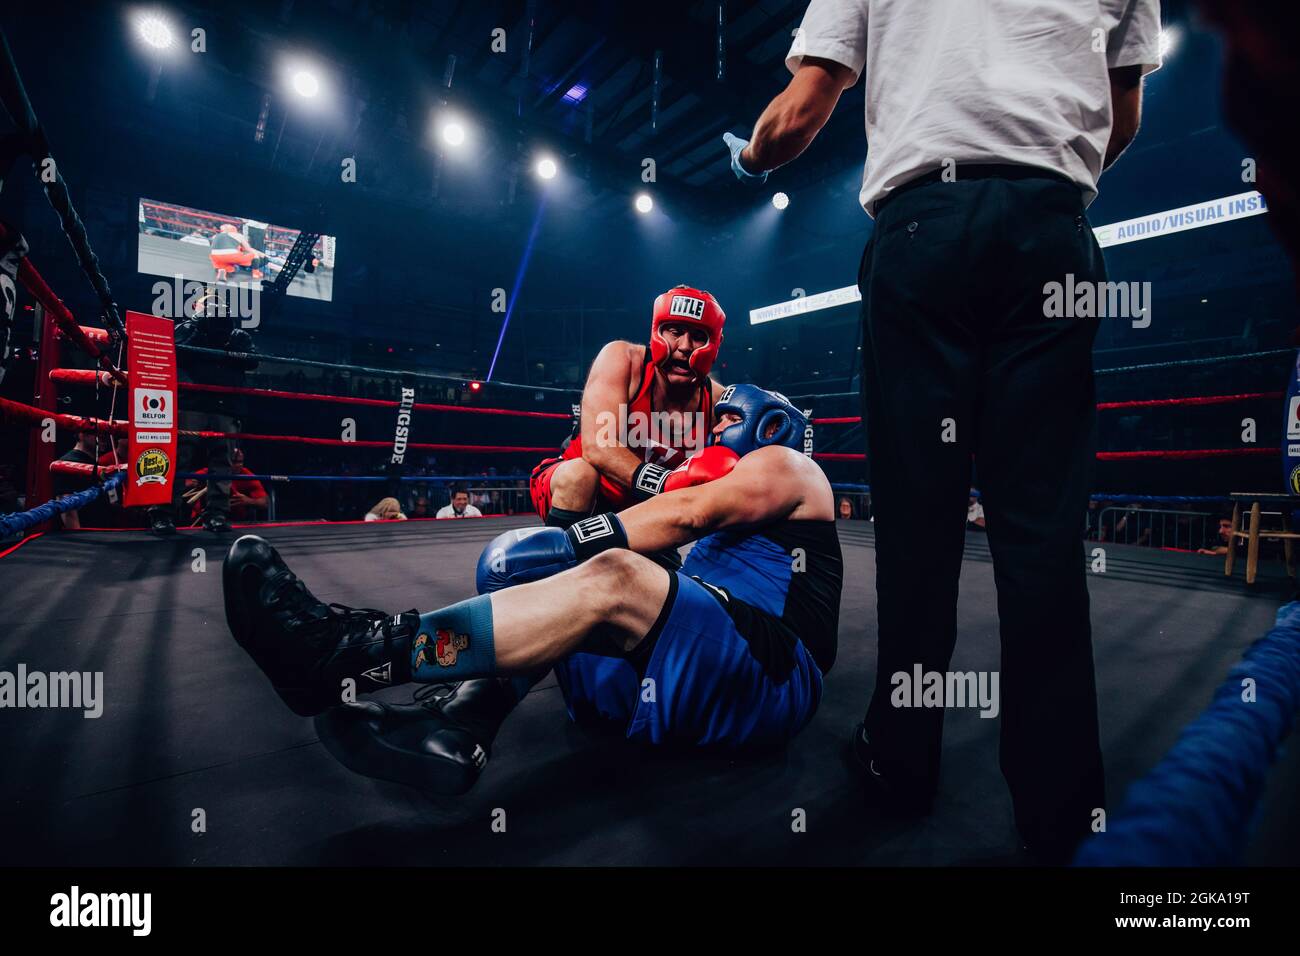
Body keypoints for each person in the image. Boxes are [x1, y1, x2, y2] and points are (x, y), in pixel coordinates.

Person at [723, 0, 1161, 862]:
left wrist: (750, 156)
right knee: (1043, 540)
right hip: (1051, 234)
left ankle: (900, 761)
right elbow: (1122, 112)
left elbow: (803, 110)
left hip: (926, 232)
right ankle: (1061, 810)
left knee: (920, 531)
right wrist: (1041, 180)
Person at [222, 386, 841, 794]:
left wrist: (577, 541)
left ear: (772, 424)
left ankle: (351, 654)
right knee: (540, 575)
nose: (716, 430)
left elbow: (690, 514)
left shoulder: (789, 465)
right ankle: (465, 722)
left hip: (774, 681)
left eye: (729, 420)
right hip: (657, 699)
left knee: (616, 573)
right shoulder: (728, 511)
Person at [529, 285, 728, 532]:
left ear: (716, 345)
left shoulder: (719, 401)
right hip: (583, 491)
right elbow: (598, 447)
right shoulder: (624, 360)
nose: (685, 346)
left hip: (642, 512)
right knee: (579, 476)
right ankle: (554, 559)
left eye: (698, 336)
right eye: (674, 332)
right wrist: (667, 483)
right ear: (655, 332)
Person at [149, 289, 257, 536]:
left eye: (217, 304)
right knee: (177, 460)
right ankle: (163, 514)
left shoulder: (237, 334)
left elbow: (252, 360)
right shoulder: (188, 329)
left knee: (222, 462)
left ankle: (216, 514)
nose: (213, 308)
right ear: (197, 308)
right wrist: (199, 325)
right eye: (207, 305)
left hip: (224, 406)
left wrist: (225, 343)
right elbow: (175, 352)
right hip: (191, 404)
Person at [53, 430, 114, 530]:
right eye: (98, 432)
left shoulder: (95, 463)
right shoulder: (68, 463)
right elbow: (68, 511)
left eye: (104, 433)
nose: (103, 437)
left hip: (101, 534)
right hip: (86, 539)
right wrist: (78, 540)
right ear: (81, 434)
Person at [188, 447, 268, 523]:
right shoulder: (212, 472)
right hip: (203, 519)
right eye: (234, 461)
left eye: (241, 461)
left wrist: (248, 501)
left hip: (236, 521)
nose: (239, 465)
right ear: (226, 461)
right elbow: (186, 482)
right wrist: (196, 483)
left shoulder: (247, 475)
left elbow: (265, 503)